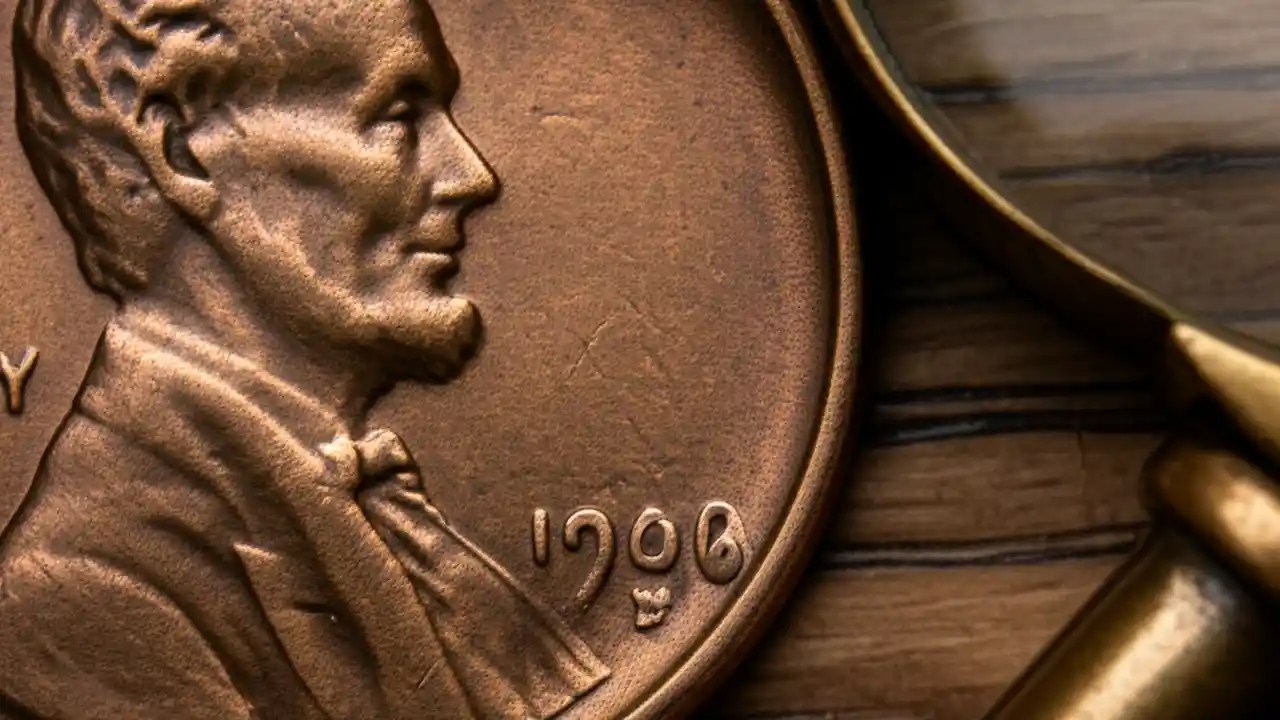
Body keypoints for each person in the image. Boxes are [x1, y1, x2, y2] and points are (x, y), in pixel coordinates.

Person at [0, 0, 609, 717]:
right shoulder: (83, 598)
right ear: (182, 149)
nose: (472, 175)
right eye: (399, 116)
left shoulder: (370, 505)